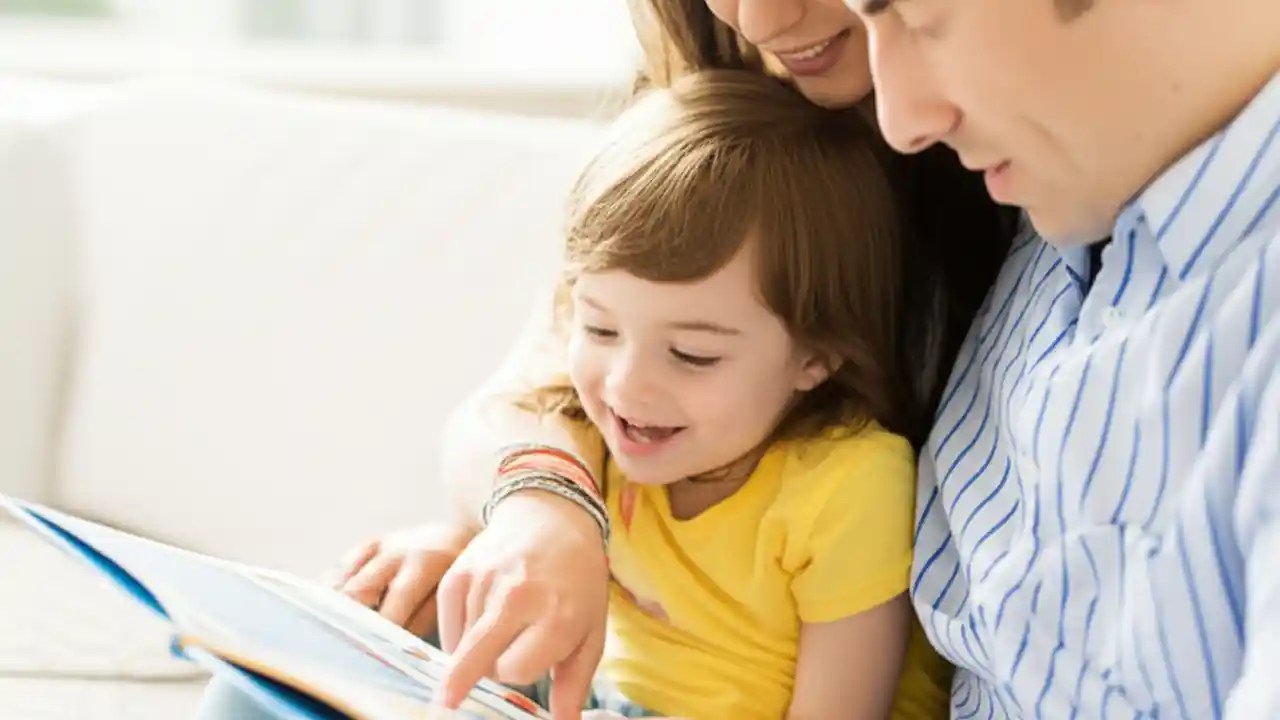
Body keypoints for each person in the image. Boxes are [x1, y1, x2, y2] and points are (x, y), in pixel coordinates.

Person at [195, 0, 1018, 718]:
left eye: (692, 353)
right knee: (280, 676)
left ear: (819, 355)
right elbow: (529, 400)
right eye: (598, 329)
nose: (626, 384)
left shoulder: (845, 485)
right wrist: (511, 530)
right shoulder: (633, 419)